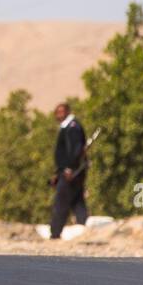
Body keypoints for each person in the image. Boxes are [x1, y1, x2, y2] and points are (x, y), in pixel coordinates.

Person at [49, 102, 89, 238]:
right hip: (67, 172)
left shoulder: (73, 127)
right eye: (57, 112)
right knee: (77, 201)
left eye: (60, 112)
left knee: (61, 202)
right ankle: (83, 229)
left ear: (67, 112)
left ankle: (55, 234)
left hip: (71, 173)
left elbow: (76, 149)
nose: (58, 115)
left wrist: (69, 168)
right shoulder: (67, 127)